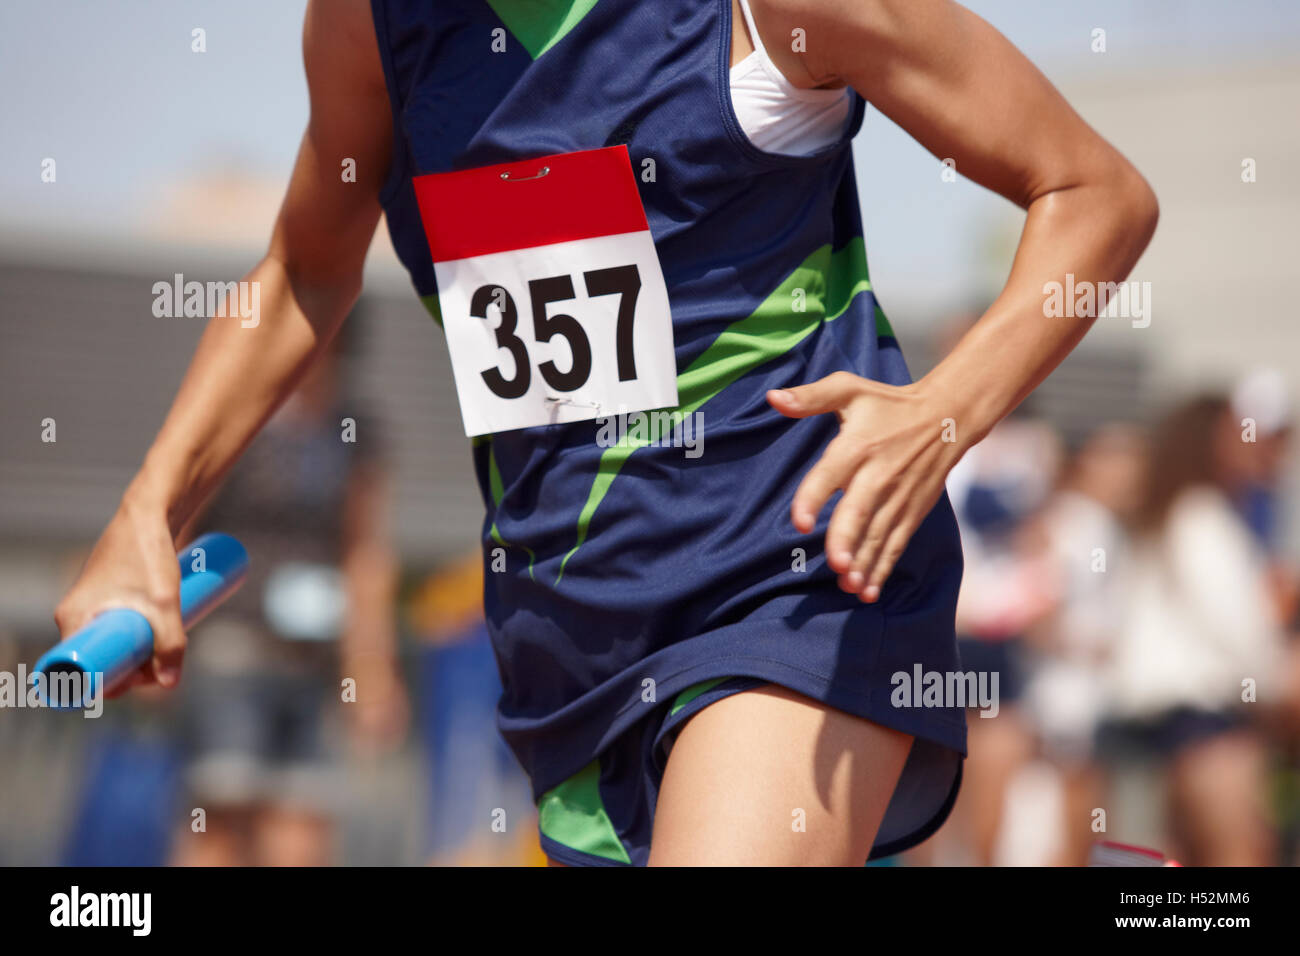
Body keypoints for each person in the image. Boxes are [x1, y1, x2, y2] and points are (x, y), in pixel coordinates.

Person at [53, 0, 1157, 866]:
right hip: (569, 636)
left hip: (790, 576)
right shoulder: (372, 19)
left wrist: (941, 411)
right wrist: (145, 514)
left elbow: (1094, 189)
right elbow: (307, 263)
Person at [1101, 396, 1283, 866]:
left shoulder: (1165, 515)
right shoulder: (1202, 516)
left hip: (1156, 722)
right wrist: (1277, 688)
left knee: (1157, 861)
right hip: (1205, 722)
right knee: (1237, 857)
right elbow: (1243, 633)